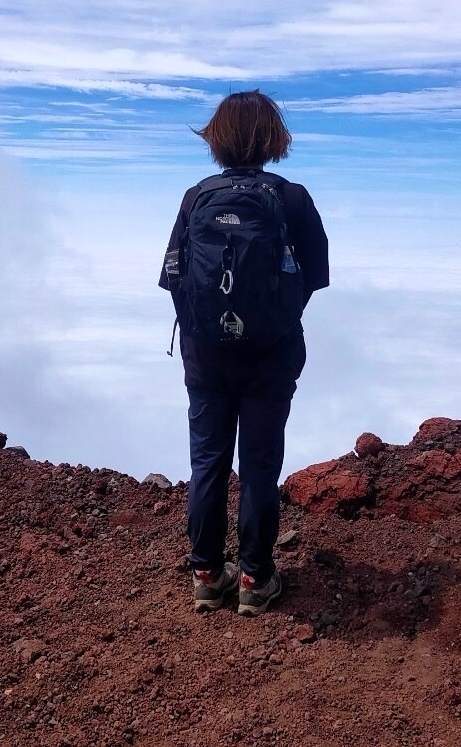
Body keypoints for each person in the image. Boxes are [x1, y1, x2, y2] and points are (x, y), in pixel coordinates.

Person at [159, 90, 329, 616]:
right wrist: (272, 320)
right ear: (274, 138)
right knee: (259, 464)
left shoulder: (195, 198)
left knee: (207, 461)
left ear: (216, 138)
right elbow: (315, 278)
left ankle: (208, 576)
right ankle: (256, 579)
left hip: (206, 356)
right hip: (271, 354)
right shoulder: (292, 198)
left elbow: (171, 277)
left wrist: (205, 330)